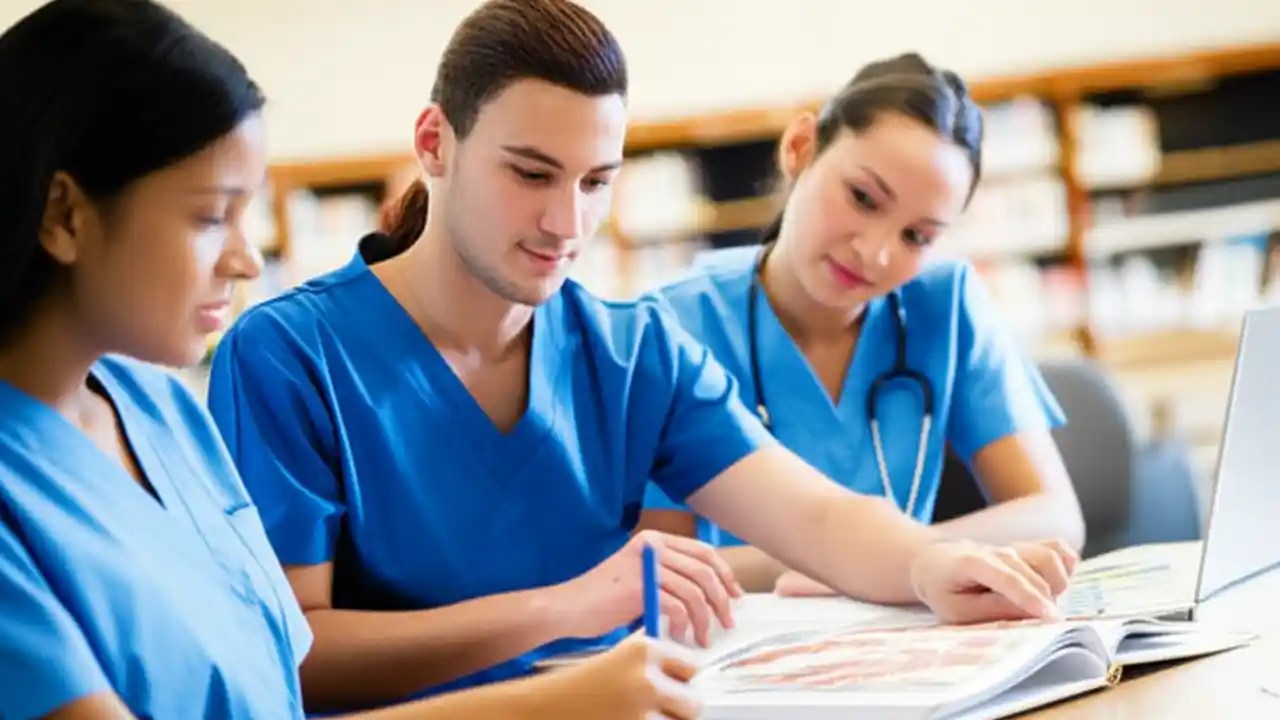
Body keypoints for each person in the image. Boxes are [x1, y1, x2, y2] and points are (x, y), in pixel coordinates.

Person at [207, 0, 1079, 713]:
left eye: (595, 182)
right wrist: (566, 609)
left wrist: (928, 563)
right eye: (531, 173)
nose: (567, 224)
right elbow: (296, 655)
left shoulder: (632, 354)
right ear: (435, 144)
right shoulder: (289, 357)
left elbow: (812, 516)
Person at [0, 1, 701, 719]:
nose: (244, 261)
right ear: (64, 215)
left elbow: (280, 677)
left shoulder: (160, 410)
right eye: (211, 217)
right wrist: (545, 702)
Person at [635, 54, 1088, 596]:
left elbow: (1057, 519)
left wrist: (895, 566)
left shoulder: (945, 306)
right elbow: (664, 572)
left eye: (916, 237)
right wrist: (873, 566)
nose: (875, 254)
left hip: (912, 639)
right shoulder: (674, 326)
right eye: (863, 198)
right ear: (800, 148)